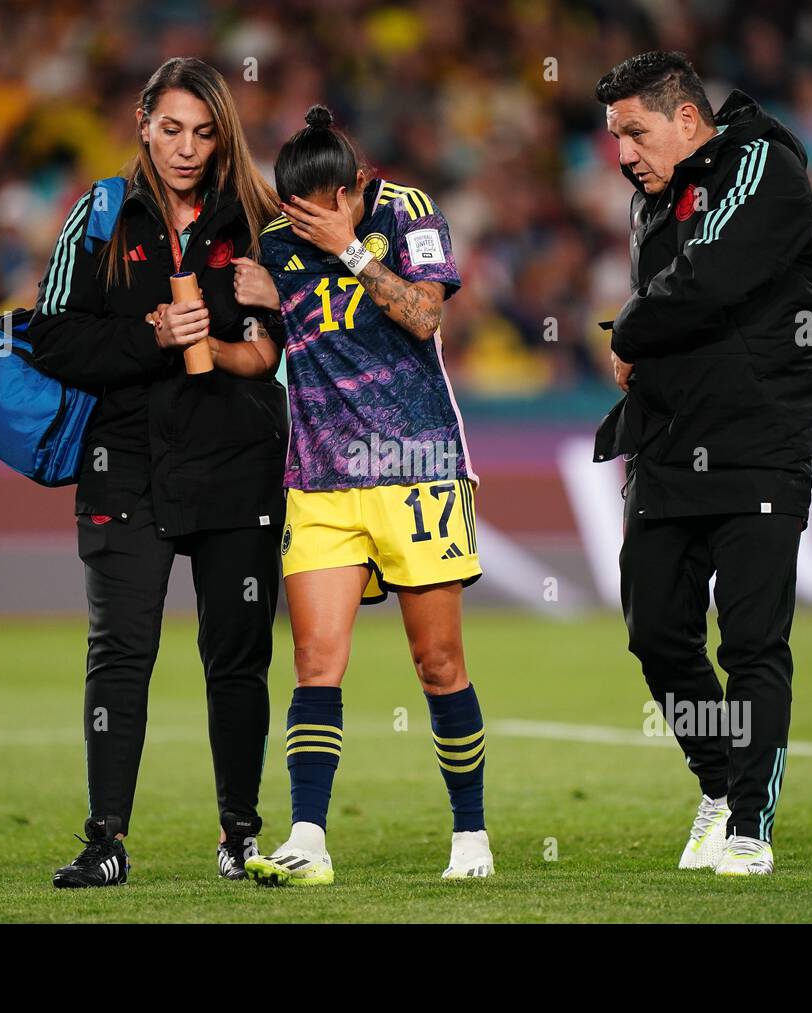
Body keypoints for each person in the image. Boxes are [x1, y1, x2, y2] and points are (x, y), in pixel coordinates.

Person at [27, 57, 288, 886]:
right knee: (119, 652)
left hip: (237, 465)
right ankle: (106, 839)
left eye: (203, 132)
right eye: (170, 128)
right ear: (142, 124)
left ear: (223, 136)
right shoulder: (99, 214)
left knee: (237, 659)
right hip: (125, 464)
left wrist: (280, 303)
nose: (185, 148)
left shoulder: (259, 220)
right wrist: (155, 337)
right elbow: (50, 337)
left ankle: (240, 835)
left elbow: (306, 336)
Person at [226, 105, 493, 885]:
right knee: (314, 658)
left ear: (355, 189)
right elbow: (271, 351)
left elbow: (422, 314)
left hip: (418, 468)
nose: (303, 224)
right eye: (294, 214)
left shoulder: (408, 214)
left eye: (321, 211)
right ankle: (307, 836)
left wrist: (345, 251)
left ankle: (469, 832)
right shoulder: (276, 245)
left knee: (438, 661)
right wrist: (226, 334)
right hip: (320, 477)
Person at [592, 52, 812, 876]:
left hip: (759, 439)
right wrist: (636, 345)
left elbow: (711, 276)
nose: (624, 152)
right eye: (616, 136)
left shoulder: (763, 163)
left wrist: (626, 329)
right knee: (656, 631)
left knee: (754, 641)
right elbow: (670, 306)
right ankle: (721, 781)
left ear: (687, 119)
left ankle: (749, 828)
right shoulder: (649, 201)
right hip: (667, 444)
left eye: (635, 132)